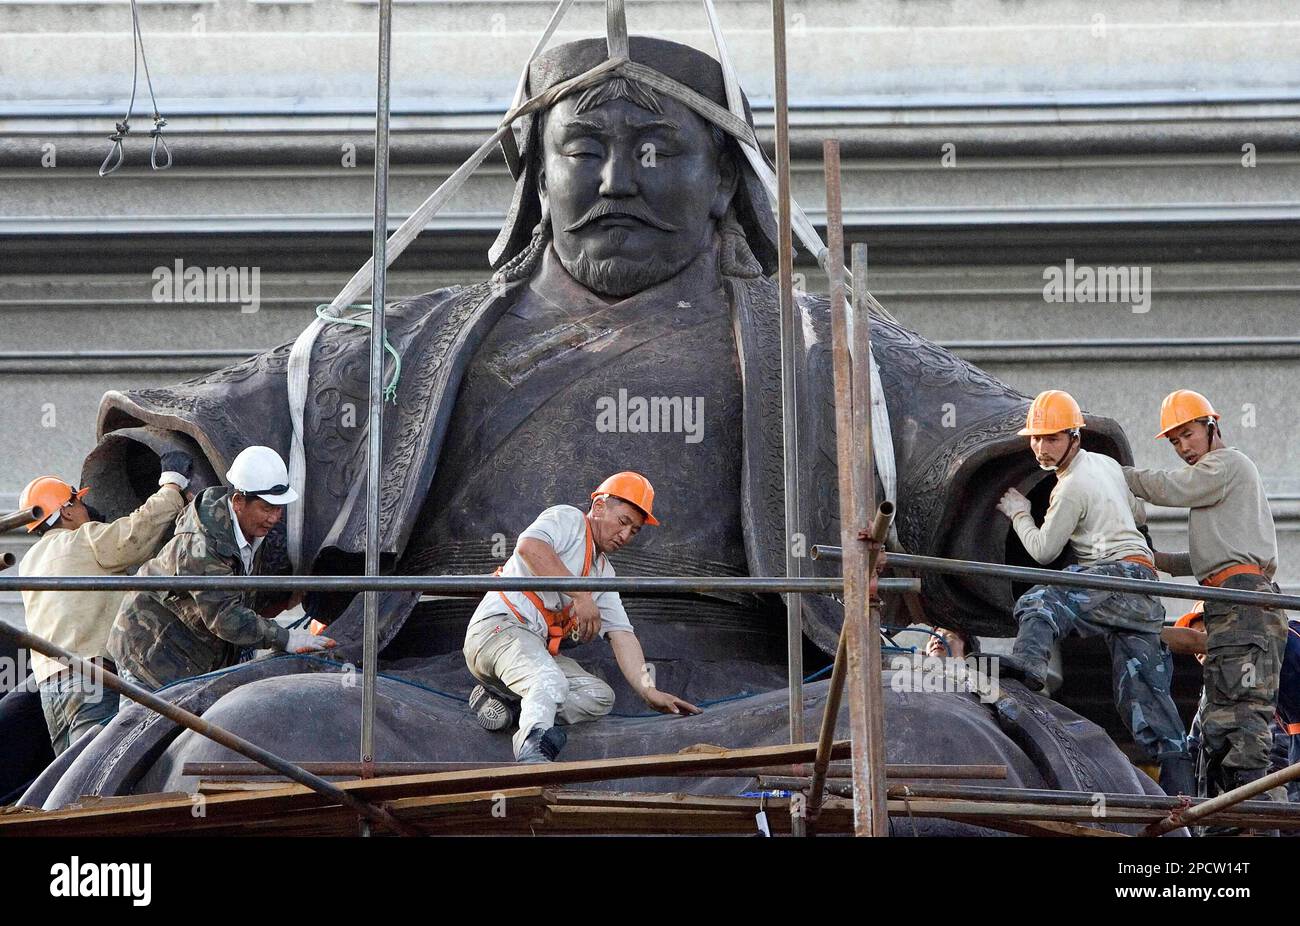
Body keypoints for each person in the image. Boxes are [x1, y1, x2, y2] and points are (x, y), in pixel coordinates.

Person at [996, 389, 1193, 796]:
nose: (1041, 447)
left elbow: (1043, 550)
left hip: (1113, 577)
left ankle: (1029, 665)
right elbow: (1138, 515)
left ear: (1074, 438)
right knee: (1143, 694)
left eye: (1051, 438)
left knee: (1039, 600)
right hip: (1144, 588)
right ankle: (1184, 790)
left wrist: (1018, 512)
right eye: (1035, 438)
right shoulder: (1107, 465)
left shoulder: (1068, 488)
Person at [464, 472, 701, 763]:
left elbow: (622, 634)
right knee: (549, 679)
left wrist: (648, 690)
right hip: (497, 631)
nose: (625, 536)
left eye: (635, 531)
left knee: (599, 696)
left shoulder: (603, 573)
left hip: (531, 651)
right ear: (599, 506)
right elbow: (530, 547)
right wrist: (580, 594)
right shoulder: (568, 520)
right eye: (623, 522)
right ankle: (531, 753)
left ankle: (507, 707)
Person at [1124, 389, 1286, 803]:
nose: (1183, 448)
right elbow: (1205, 559)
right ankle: (1228, 819)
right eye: (1175, 441)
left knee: (1243, 721)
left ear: (1213, 427)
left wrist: (1110, 474)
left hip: (1244, 601)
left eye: (1188, 434)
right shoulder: (1218, 485)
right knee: (1219, 723)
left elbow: (1172, 488)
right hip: (1229, 599)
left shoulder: (1226, 464)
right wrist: (1156, 559)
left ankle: (1255, 820)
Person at [108, 446, 335, 691]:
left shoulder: (251, 532)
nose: (274, 518)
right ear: (239, 502)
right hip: (149, 655)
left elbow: (241, 599)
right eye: (267, 508)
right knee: (150, 725)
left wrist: (283, 600)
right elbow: (224, 617)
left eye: (278, 509)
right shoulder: (200, 544)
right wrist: (286, 639)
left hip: (192, 655)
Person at [18, 457, 189, 753]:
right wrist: (172, 486)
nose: (86, 509)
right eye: (79, 503)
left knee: (69, 771)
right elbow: (137, 532)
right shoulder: (83, 541)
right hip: (90, 675)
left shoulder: (30, 562)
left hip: (49, 684)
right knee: (99, 766)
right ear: (67, 511)